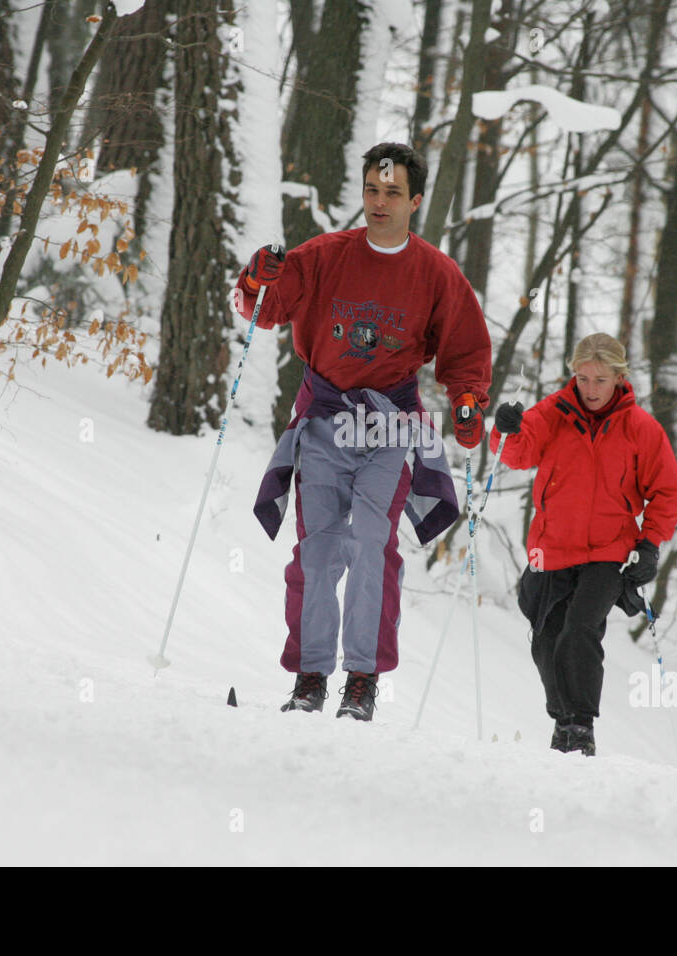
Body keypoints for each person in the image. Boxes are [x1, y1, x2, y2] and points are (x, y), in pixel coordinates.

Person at [235, 142, 492, 721]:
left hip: (390, 425)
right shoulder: (324, 255)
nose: (380, 202)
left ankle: (362, 681)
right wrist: (258, 277)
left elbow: (466, 352)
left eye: (393, 193)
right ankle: (309, 676)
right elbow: (264, 308)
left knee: (373, 546)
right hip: (324, 418)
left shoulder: (437, 274)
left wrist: (468, 403)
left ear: (415, 200)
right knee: (319, 551)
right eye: (372, 191)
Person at [490, 333, 677, 755]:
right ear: (573, 375)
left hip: (610, 551)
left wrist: (650, 545)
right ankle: (563, 721)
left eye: (600, 379)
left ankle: (580, 727)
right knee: (546, 638)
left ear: (619, 377)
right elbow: (517, 453)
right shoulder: (552, 413)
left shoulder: (640, 429)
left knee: (580, 629)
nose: (591, 389)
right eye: (583, 378)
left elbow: (666, 491)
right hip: (553, 547)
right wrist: (506, 428)